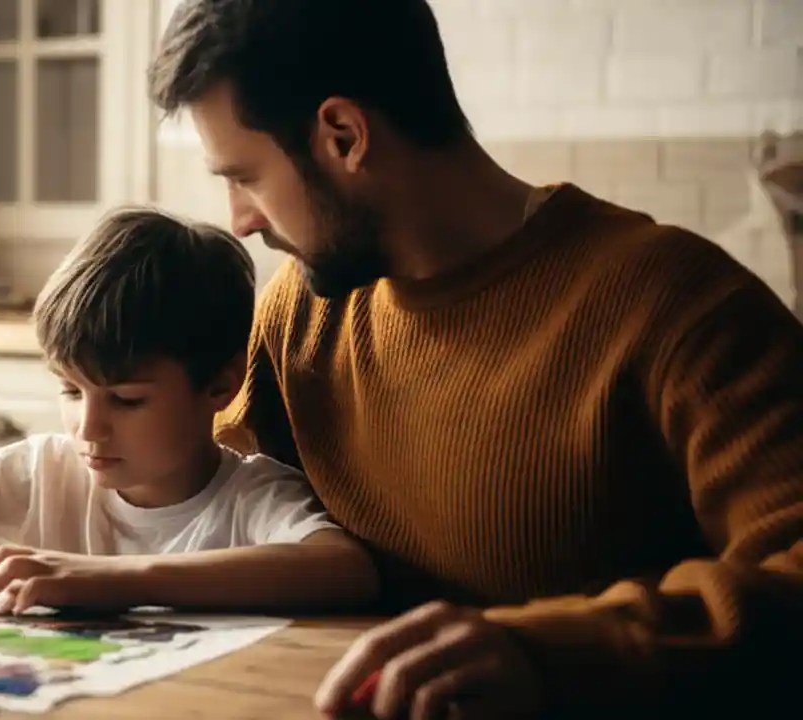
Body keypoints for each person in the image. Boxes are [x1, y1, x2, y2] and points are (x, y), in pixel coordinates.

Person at [149, 0, 803, 718]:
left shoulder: (679, 307)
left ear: (344, 135)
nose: (239, 220)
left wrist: (550, 653)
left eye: (244, 177)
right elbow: (209, 511)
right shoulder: (298, 317)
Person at [0, 207, 379, 617]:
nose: (88, 428)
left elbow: (346, 570)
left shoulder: (251, 497)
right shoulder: (47, 471)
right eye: (71, 392)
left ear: (221, 384)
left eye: (127, 400)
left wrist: (110, 578)